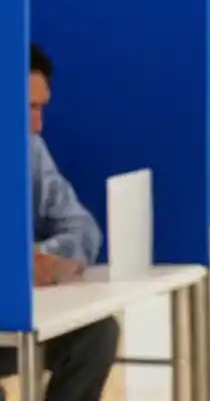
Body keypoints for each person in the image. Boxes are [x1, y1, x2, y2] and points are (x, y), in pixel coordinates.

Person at [0, 44, 120, 401]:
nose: (38, 123)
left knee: (96, 334)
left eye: (42, 107)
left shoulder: (30, 149)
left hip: (12, 318)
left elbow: (83, 229)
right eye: (29, 108)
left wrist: (41, 259)